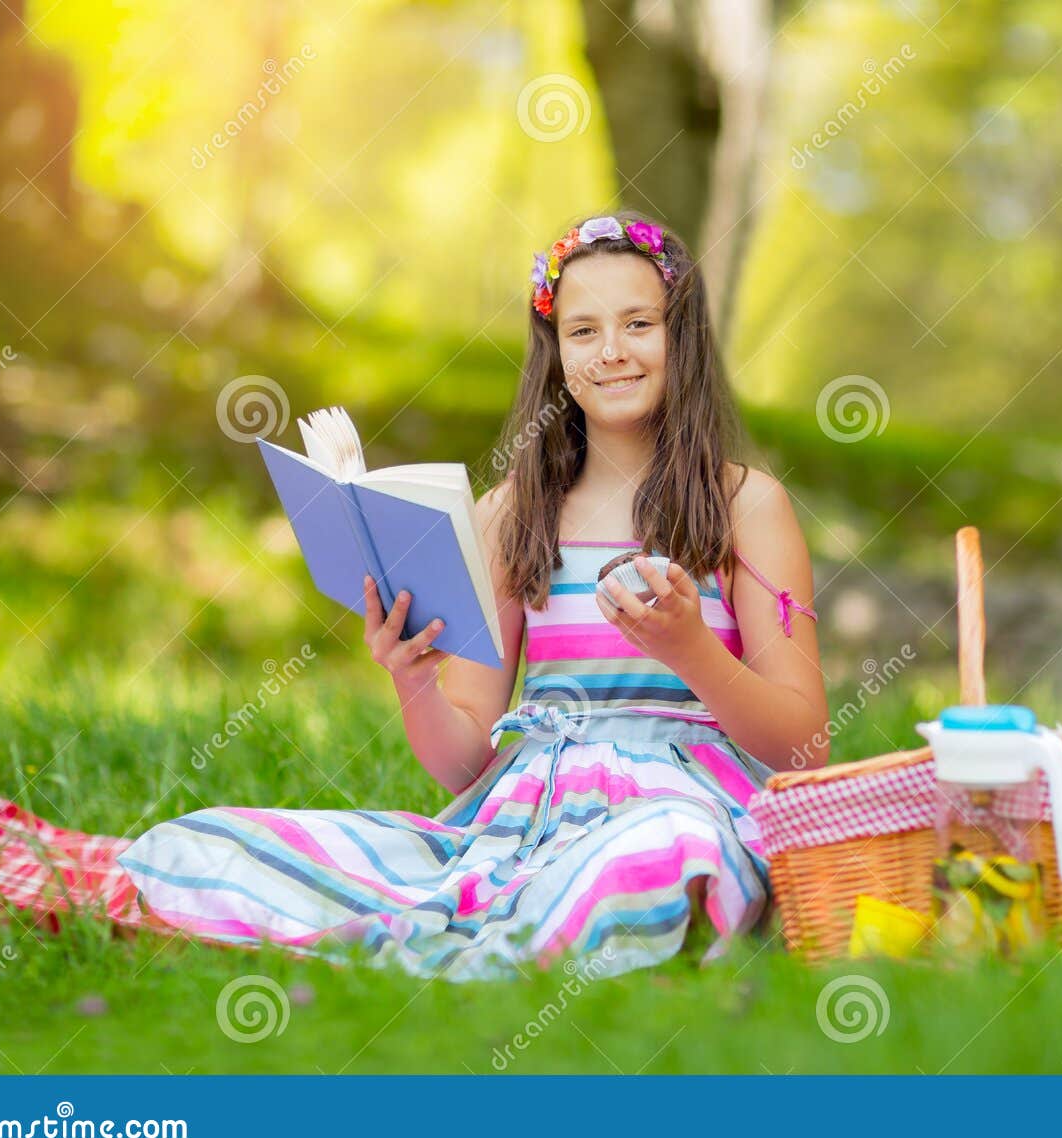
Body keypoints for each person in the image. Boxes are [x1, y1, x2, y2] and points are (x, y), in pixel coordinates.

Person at [114, 211, 830, 980]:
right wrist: (413, 677)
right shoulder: (512, 514)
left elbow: (803, 743)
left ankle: (546, 922)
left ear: (680, 336)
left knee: (661, 849)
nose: (612, 351)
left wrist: (692, 651)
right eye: (583, 331)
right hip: (524, 827)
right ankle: (529, 915)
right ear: (555, 352)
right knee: (207, 842)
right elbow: (463, 765)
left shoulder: (747, 506)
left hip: (688, 812)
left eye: (638, 324)